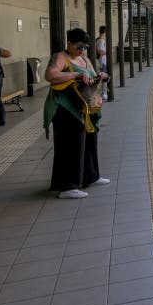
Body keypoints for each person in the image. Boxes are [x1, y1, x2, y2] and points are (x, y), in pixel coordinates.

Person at [44, 28, 109, 199]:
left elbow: (92, 76)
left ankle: (91, 176)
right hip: (66, 109)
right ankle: (68, 186)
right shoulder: (60, 57)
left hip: (85, 108)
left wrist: (101, 76)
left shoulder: (85, 59)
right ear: (69, 43)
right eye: (79, 46)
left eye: (85, 47)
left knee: (89, 141)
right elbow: (50, 75)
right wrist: (75, 74)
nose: (82, 50)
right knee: (70, 145)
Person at [96, 25, 108, 100]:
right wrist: (108, 52)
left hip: (102, 61)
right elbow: (100, 51)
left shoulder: (98, 39)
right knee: (103, 77)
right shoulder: (101, 40)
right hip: (102, 61)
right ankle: (103, 93)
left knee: (102, 76)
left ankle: (102, 92)